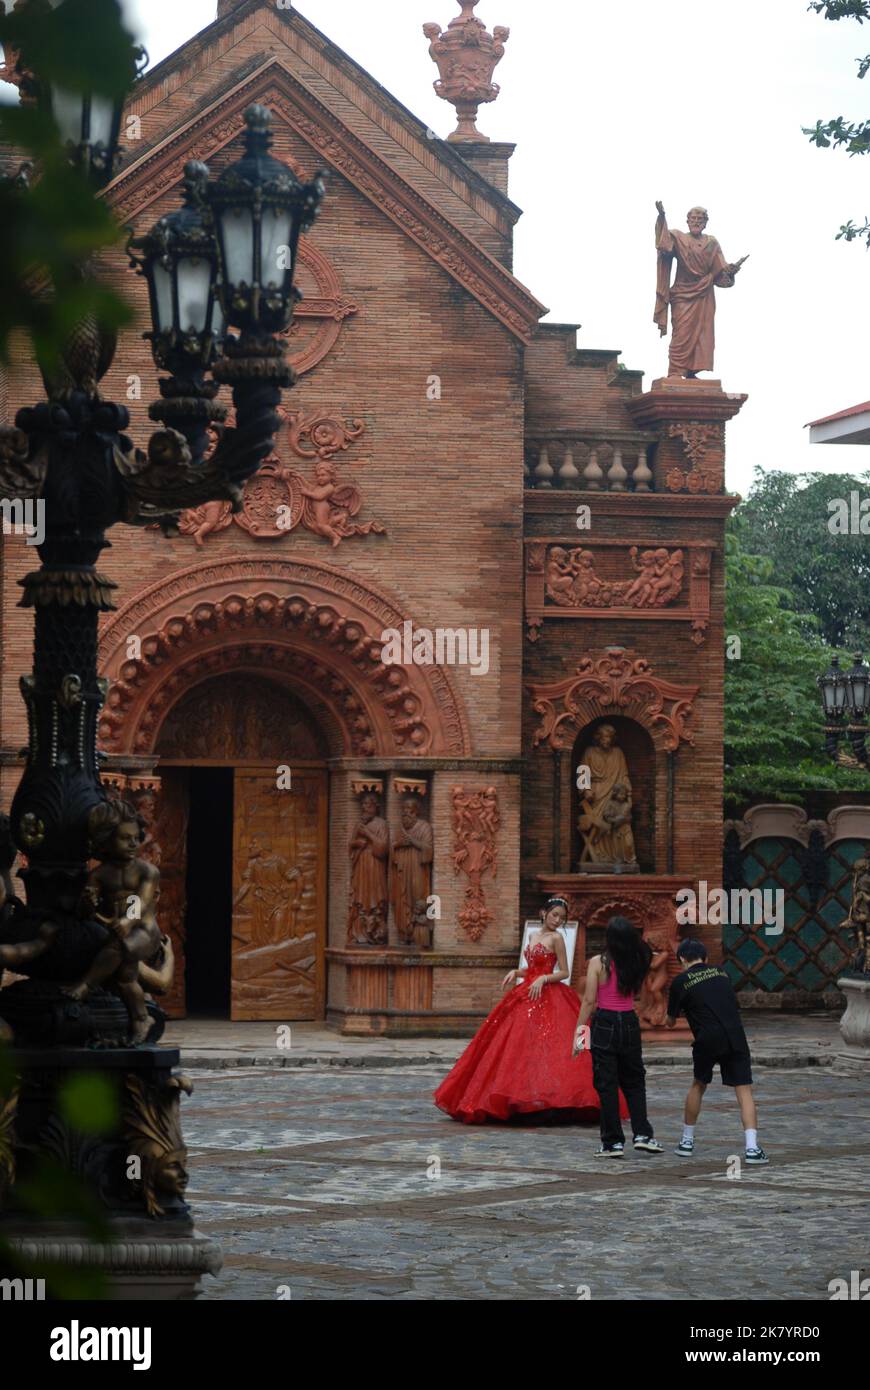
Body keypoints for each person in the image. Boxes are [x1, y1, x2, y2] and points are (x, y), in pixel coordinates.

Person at [434, 896, 629, 1125]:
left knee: (554, 1045)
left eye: (562, 918)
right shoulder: (532, 935)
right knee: (519, 1046)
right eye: (554, 915)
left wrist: (544, 979)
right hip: (528, 993)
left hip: (549, 993)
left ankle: (562, 1099)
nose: (558, 920)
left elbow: (564, 972)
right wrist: (517, 973)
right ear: (543, 913)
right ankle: (521, 1099)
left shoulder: (557, 939)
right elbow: (531, 968)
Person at [665, 939, 768, 1165]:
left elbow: (670, 1021)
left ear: (682, 960)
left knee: (698, 1084)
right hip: (735, 1035)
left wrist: (670, 1016)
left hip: (706, 1038)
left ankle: (686, 1142)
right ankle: (752, 1148)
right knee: (744, 1090)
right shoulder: (722, 973)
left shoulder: (680, 981)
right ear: (706, 958)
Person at [573, 916, 662, 1157]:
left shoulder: (597, 963)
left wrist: (580, 1036)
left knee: (607, 1084)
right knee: (634, 1080)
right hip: (629, 1021)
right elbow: (639, 994)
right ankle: (643, 1134)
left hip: (605, 1023)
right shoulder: (639, 961)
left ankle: (612, 1142)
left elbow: (590, 1001)